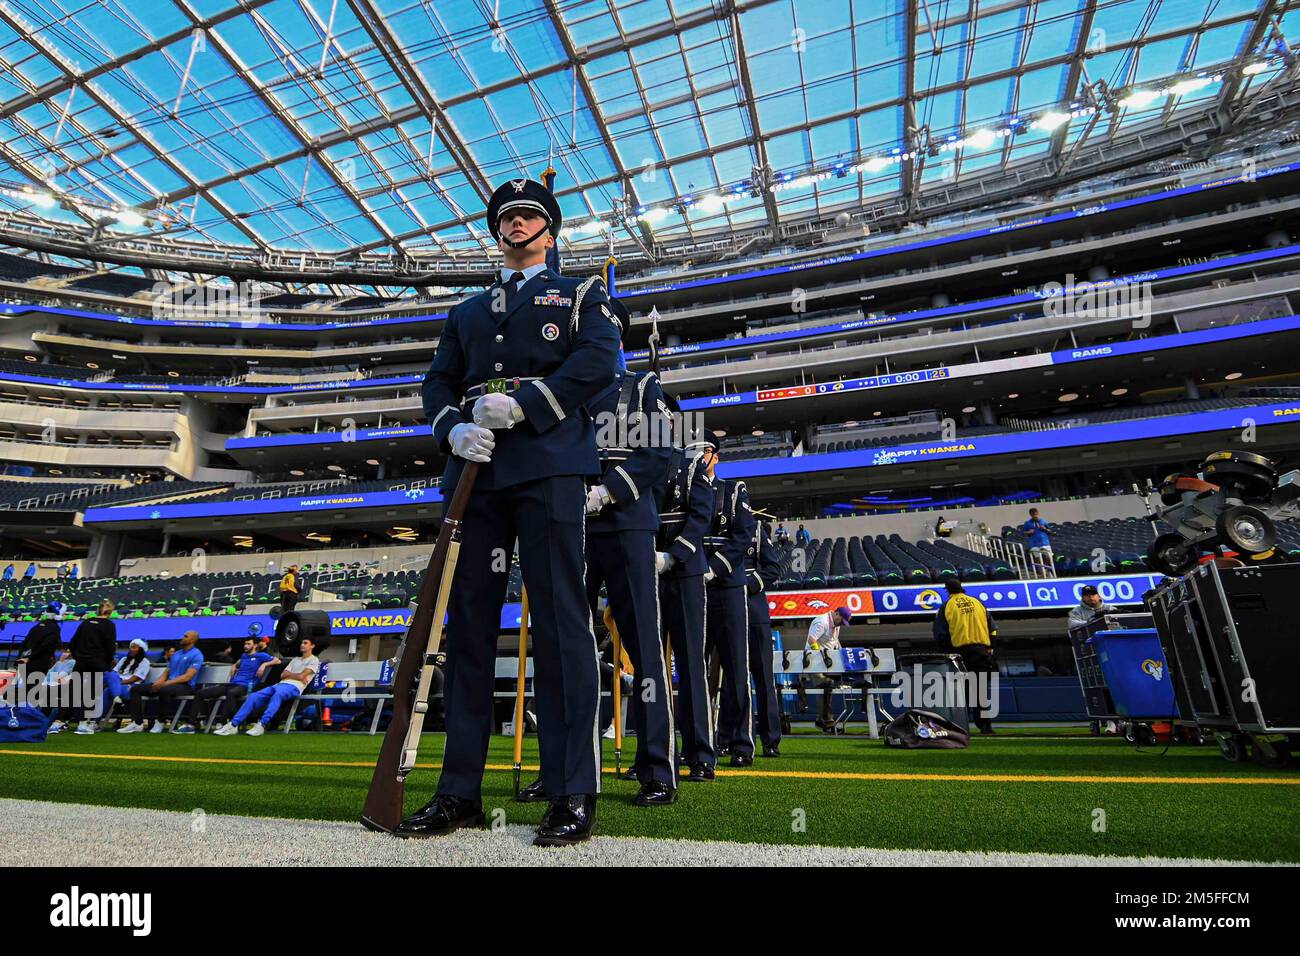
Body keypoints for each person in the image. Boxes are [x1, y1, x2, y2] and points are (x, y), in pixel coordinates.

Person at [396, 176, 620, 846]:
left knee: (559, 626)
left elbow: (599, 361)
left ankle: (571, 789)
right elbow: (437, 378)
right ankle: (457, 790)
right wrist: (451, 428)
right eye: (507, 216)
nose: (516, 223)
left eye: (529, 215)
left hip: (548, 463)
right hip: (476, 472)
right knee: (467, 633)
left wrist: (527, 404)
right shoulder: (466, 310)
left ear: (549, 230)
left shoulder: (580, 293)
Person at [521, 297, 675, 807]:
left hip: (625, 523)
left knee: (644, 649)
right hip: (565, 525)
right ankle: (560, 768)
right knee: (561, 649)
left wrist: (611, 489)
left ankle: (656, 765)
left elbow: (663, 452)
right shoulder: (557, 389)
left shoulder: (640, 387)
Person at [654, 411, 717, 782]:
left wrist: (673, 555)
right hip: (647, 570)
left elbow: (701, 515)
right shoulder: (641, 460)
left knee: (691, 664)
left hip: (684, 571)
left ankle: (700, 754)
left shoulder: (692, 464)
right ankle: (658, 753)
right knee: (652, 667)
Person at [701, 430, 757, 767]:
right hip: (694, 586)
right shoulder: (681, 493)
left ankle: (740, 743)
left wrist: (714, 568)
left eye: (706, 450)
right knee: (696, 669)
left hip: (727, 587)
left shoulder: (733, 490)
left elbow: (743, 534)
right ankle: (702, 742)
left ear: (716, 456)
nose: (700, 456)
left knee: (737, 667)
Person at [214, 638, 319, 736]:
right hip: (281, 684)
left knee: (278, 694)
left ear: (312, 646)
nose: (302, 645)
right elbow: (283, 675)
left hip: (294, 687)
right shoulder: (296, 659)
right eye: (302, 643)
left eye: (305, 643)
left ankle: (262, 725)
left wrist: (293, 675)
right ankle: (233, 725)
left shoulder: (314, 660)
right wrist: (297, 676)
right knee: (254, 696)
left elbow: (301, 676)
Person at [933, 579, 997, 734]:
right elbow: (993, 629)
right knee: (981, 690)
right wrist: (990, 647)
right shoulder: (978, 603)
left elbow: (940, 633)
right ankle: (986, 726)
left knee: (960, 691)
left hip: (959, 654)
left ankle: (961, 726)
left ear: (947, 591)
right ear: (963, 589)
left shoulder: (947, 606)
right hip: (982, 651)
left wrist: (946, 653)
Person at [744, 518, 783, 757]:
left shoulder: (755, 528)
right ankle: (729, 738)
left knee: (763, 680)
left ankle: (770, 740)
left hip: (754, 609)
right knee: (730, 682)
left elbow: (772, 568)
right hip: (721, 610)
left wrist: (746, 585)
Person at [120, 630, 203, 734]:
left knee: (164, 689)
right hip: (169, 683)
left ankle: (160, 721)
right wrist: (158, 682)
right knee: (135, 689)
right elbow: (167, 671)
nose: (183, 638)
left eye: (186, 636)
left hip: (185, 686)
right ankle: (137, 723)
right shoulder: (176, 654)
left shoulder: (197, 654)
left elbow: (187, 676)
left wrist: (164, 684)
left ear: (193, 639)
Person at [193, 638, 278, 728]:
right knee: (201, 693)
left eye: (249, 644)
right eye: (245, 644)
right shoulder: (244, 656)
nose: (245, 646)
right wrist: (234, 665)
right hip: (232, 684)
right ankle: (193, 723)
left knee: (231, 693)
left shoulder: (261, 655)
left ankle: (227, 723)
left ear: (255, 645)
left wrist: (264, 665)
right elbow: (238, 663)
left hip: (246, 686)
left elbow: (277, 660)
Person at [67, 599, 117, 734]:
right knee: (90, 693)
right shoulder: (109, 625)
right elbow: (110, 647)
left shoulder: (86, 623)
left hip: (81, 662)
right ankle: (85, 723)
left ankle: (66, 721)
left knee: (76, 692)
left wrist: (78, 656)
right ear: (110, 612)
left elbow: (73, 642)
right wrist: (108, 662)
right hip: (97, 663)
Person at [800, 607, 851, 731]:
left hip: (827, 662)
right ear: (836, 614)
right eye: (841, 620)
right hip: (814, 661)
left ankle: (822, 720)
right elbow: (811, 639)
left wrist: (842, 653)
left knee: (829, 687)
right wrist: (821, 655)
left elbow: (835, 641)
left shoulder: (836, 624)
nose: (841, 624)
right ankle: (826, 722)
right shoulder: (822, 622)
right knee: (825, 685)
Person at [102, 639, 151, 722]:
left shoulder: (145, 662)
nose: (131, 649)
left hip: (131, 687)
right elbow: (113, 673)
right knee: (108, 673)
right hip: (117, 683)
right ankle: (116, 697)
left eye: (134, 647)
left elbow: (135, 678)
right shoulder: (124, 659)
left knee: (107, 691)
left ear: (141, 649)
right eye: (131, 647)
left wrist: (116, 683)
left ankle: (95, 720)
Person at [15, 604, 62, 679]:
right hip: (39, 663)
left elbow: (25, 642)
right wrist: (30, 658)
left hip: (26, 662)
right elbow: (46, 646)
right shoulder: (54, 628)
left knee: (25, 687)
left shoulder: (37, 626)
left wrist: (20, 657)